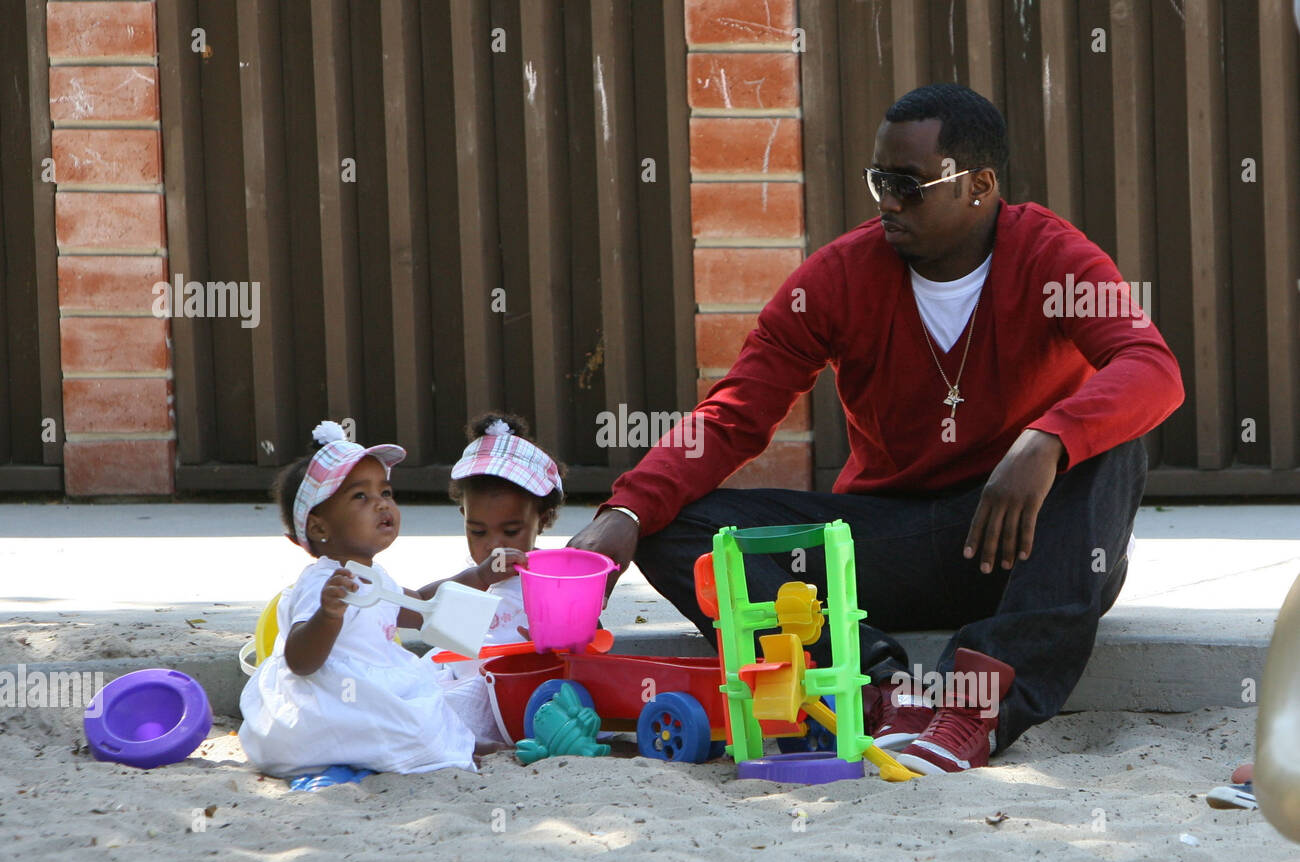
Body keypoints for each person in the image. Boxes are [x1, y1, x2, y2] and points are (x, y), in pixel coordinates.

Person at [568, 83, 1184, 775]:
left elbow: (1153, 368)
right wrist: (624, 509)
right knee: (675, 526)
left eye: (910, 185)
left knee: (1115, 445)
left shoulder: (1050, 257)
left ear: (979, 185)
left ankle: (973, 709)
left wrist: (1047, 440)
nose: (888, 201)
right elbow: (735, 414)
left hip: (1025, 545)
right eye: (879, 181)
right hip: (885, 544)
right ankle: (875, 689)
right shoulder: (836, 278)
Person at [239, 421, 498, 778]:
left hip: (370, 693)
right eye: (361, 496)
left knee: (427, 701)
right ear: (319, 528)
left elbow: (423, 604)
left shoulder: (374, 577)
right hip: (328, 701)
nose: (381, 504)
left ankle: (456, 742)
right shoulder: (322, 582)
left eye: (386, 493)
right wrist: (329, 615)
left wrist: (482, 575)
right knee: (409, 720)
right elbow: (300, 661)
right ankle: (440, 750)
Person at [436, 412, 567, 676]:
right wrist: (478, 577)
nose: (494, 546)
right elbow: (420, 606)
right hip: (462, 686)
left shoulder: (555, 577)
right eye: (478, 531)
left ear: (542, 520)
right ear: (464, 518)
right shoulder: (471, 577)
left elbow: (591, 640)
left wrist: (557, 645)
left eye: (510, 531)